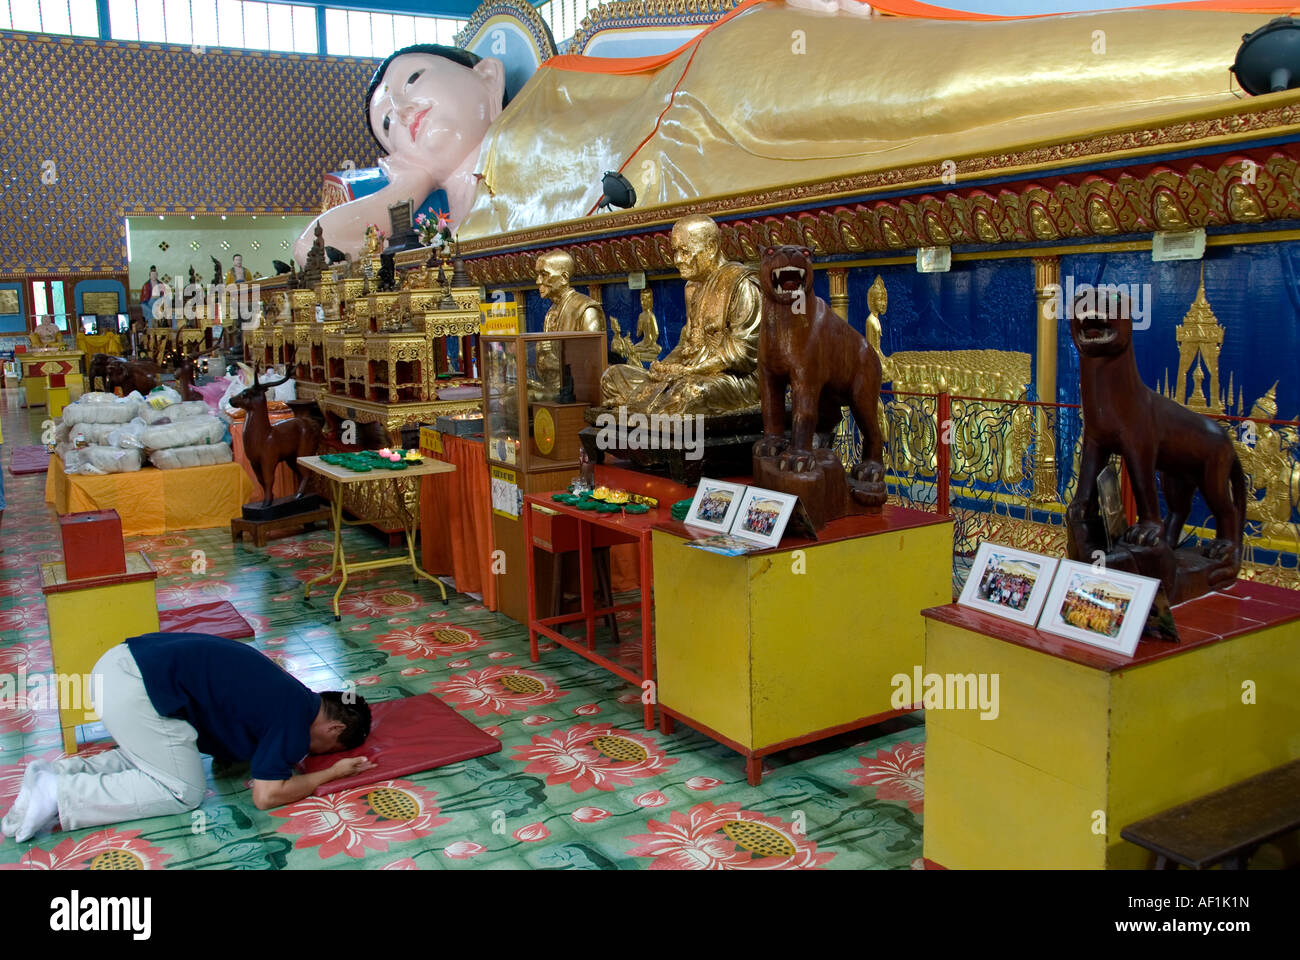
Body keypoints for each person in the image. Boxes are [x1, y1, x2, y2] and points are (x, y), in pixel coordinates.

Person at [1, 633, 374, 843]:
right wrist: (332, 773)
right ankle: (60, 796)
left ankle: (54, 776)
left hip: (115, 668)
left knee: (160, 758)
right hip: (137, 688)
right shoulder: (297, 718)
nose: (311, 755)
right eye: (327, 750)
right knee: (183, 789)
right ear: (335, 729)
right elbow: (267, 795)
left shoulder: (288, 694)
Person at [293, 44, 506, 265]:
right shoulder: (438, 236)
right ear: (398, 159)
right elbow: (309, 248)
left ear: (488, 76)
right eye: (387, 122)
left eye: (413, 79)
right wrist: (405, 188)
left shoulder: (535, 155)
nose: (402, 110)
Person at [600, 214, 761, 415]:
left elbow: (742, 355)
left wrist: (689, 372)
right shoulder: (691, 288)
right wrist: (664, 367)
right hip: (688, 374)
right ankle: (647, 402)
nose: (677, 260)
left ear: (710, 248)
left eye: (685, 252)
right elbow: (686, 345)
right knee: (613, 376)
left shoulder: (741, 284)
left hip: (731, 378)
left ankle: (639, 403)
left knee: (691, 393)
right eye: (675, 252)